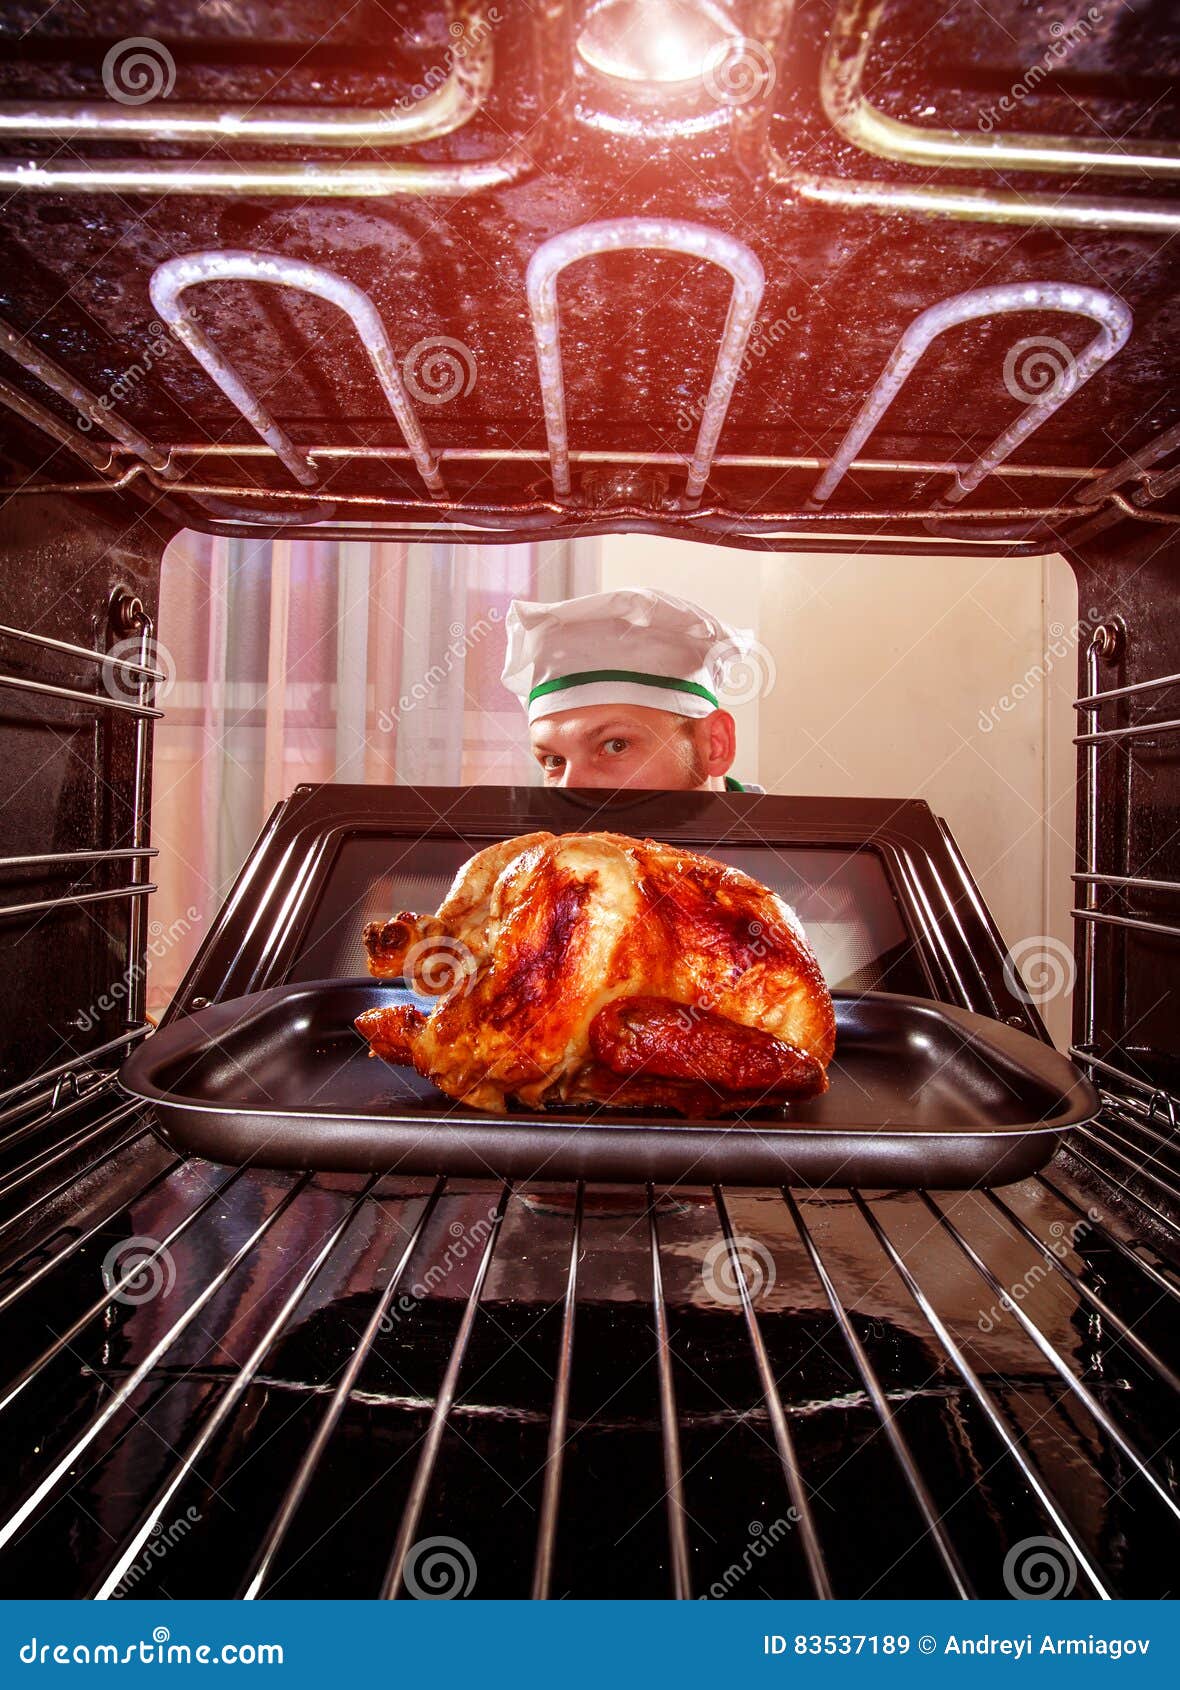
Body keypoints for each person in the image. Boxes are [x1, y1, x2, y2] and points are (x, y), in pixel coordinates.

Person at [501, 587, 765, 792]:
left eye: (616, 745)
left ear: (715, 744)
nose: (571, 789)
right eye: (553, 761)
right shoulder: (530, 861)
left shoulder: (793, 860)